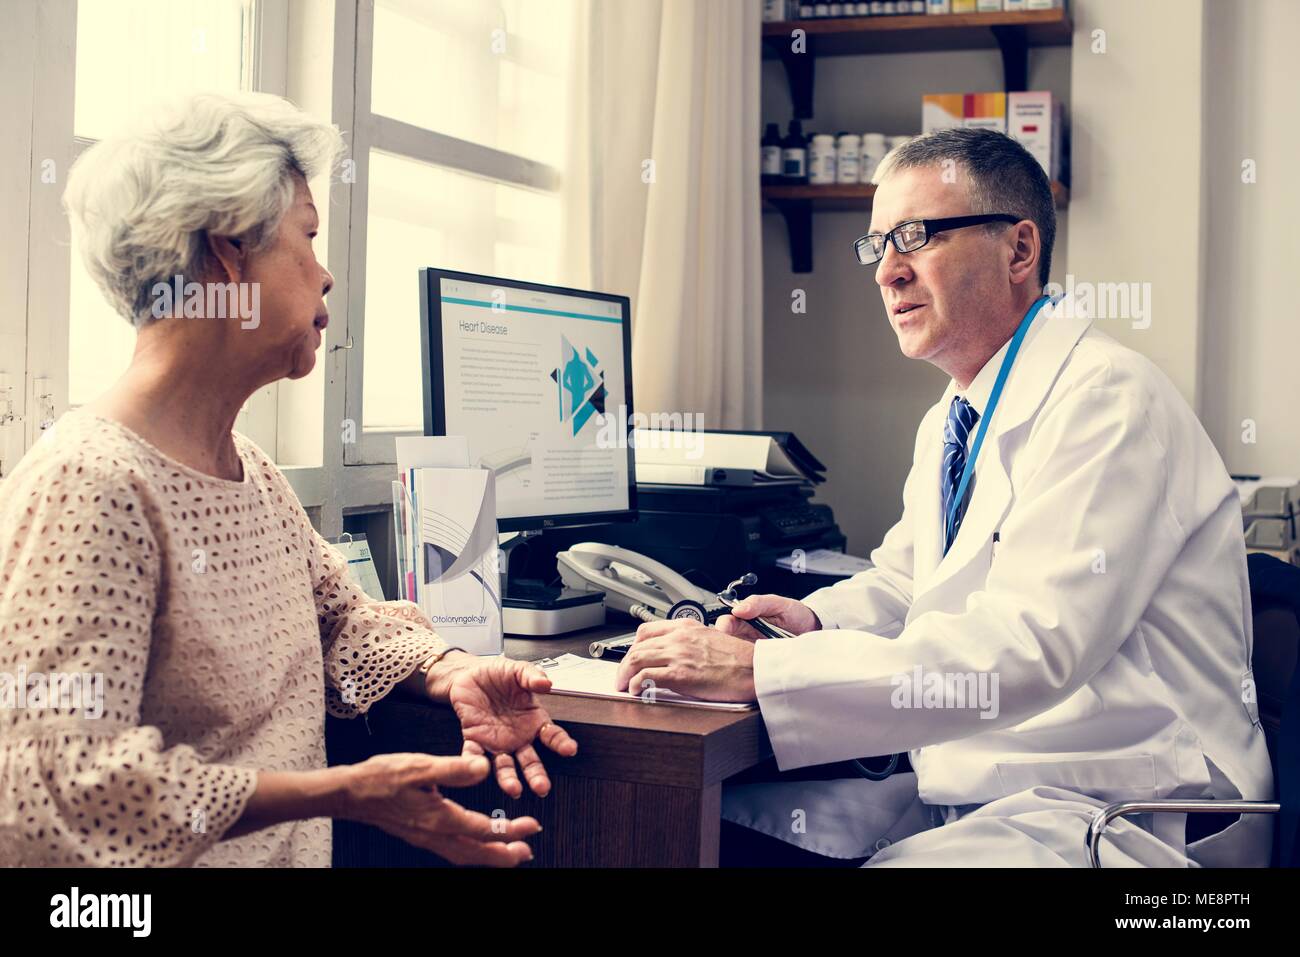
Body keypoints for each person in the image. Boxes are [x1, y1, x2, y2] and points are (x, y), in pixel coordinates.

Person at [615, 128, 1273, 867]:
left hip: (1122, 812)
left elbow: (1030, 643)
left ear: (1019, 251)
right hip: (993, 789)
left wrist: (763, 674)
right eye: (876, 245)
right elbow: (910, 581)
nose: (885, 273)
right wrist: (808, 619)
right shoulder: (956, 414)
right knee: (692, 829)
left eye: (915, 236)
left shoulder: (1109, 400)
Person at [0, 92, 577, 867]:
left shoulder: (250, 472)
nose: (327, 272)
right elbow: (52, 791)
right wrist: (340, 792)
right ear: (228, 252)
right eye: (307, 236)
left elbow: (342, 623)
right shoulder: (90, 485)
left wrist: (451, 669)